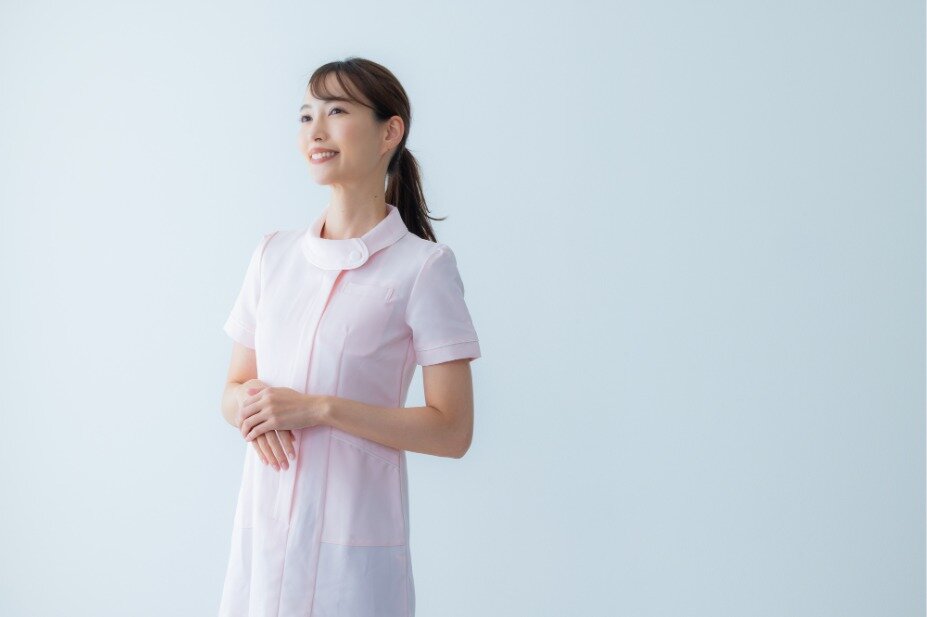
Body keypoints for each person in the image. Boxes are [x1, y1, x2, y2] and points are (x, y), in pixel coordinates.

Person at [217, 57, 481, 617]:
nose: (315, 131)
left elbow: (453, 430)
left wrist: (319, 409)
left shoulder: (423, 268)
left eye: (336, 112)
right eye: (305, 115)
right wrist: (255, 406)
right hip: (263, 543)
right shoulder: (273, 256)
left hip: (352, 560)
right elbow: (233, 390)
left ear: (390, 132)